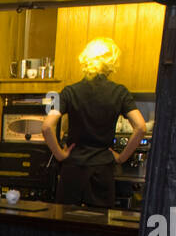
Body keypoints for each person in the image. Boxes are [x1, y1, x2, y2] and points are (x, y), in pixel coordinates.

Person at [42, 37, 146, 207]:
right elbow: (141, 127)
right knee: (98, 226)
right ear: (111, 62)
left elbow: (47, 126)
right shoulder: (120, 93)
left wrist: (60, 154)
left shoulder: (69, 92)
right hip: (102, 169)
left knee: (65, 223)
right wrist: (121, 158)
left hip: (73, 169)